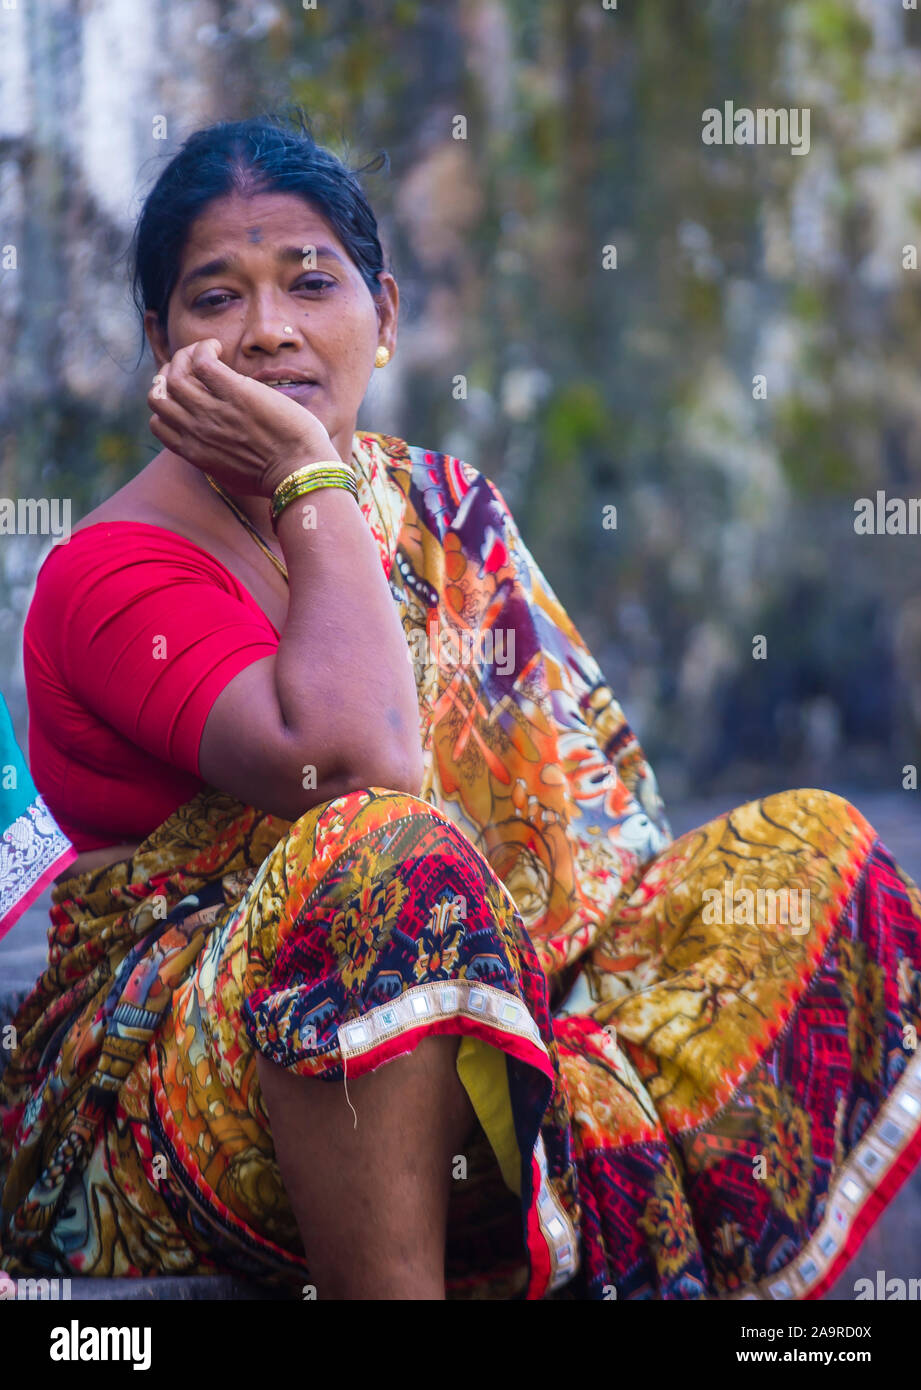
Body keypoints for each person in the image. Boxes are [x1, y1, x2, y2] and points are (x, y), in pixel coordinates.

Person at [1, 112, 920, 1301]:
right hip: (184, 1092)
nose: (269, 329)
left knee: (817, 852)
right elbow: (357, 757)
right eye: (215, 298)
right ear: (159, 344)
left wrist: (577, 1006)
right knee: (381, 852)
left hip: (482, 1032)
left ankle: (570, 1214)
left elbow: (595, 835)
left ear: (383, 316)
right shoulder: (112, 571)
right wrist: (305, 474)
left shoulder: (443, 507)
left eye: (310, 284)